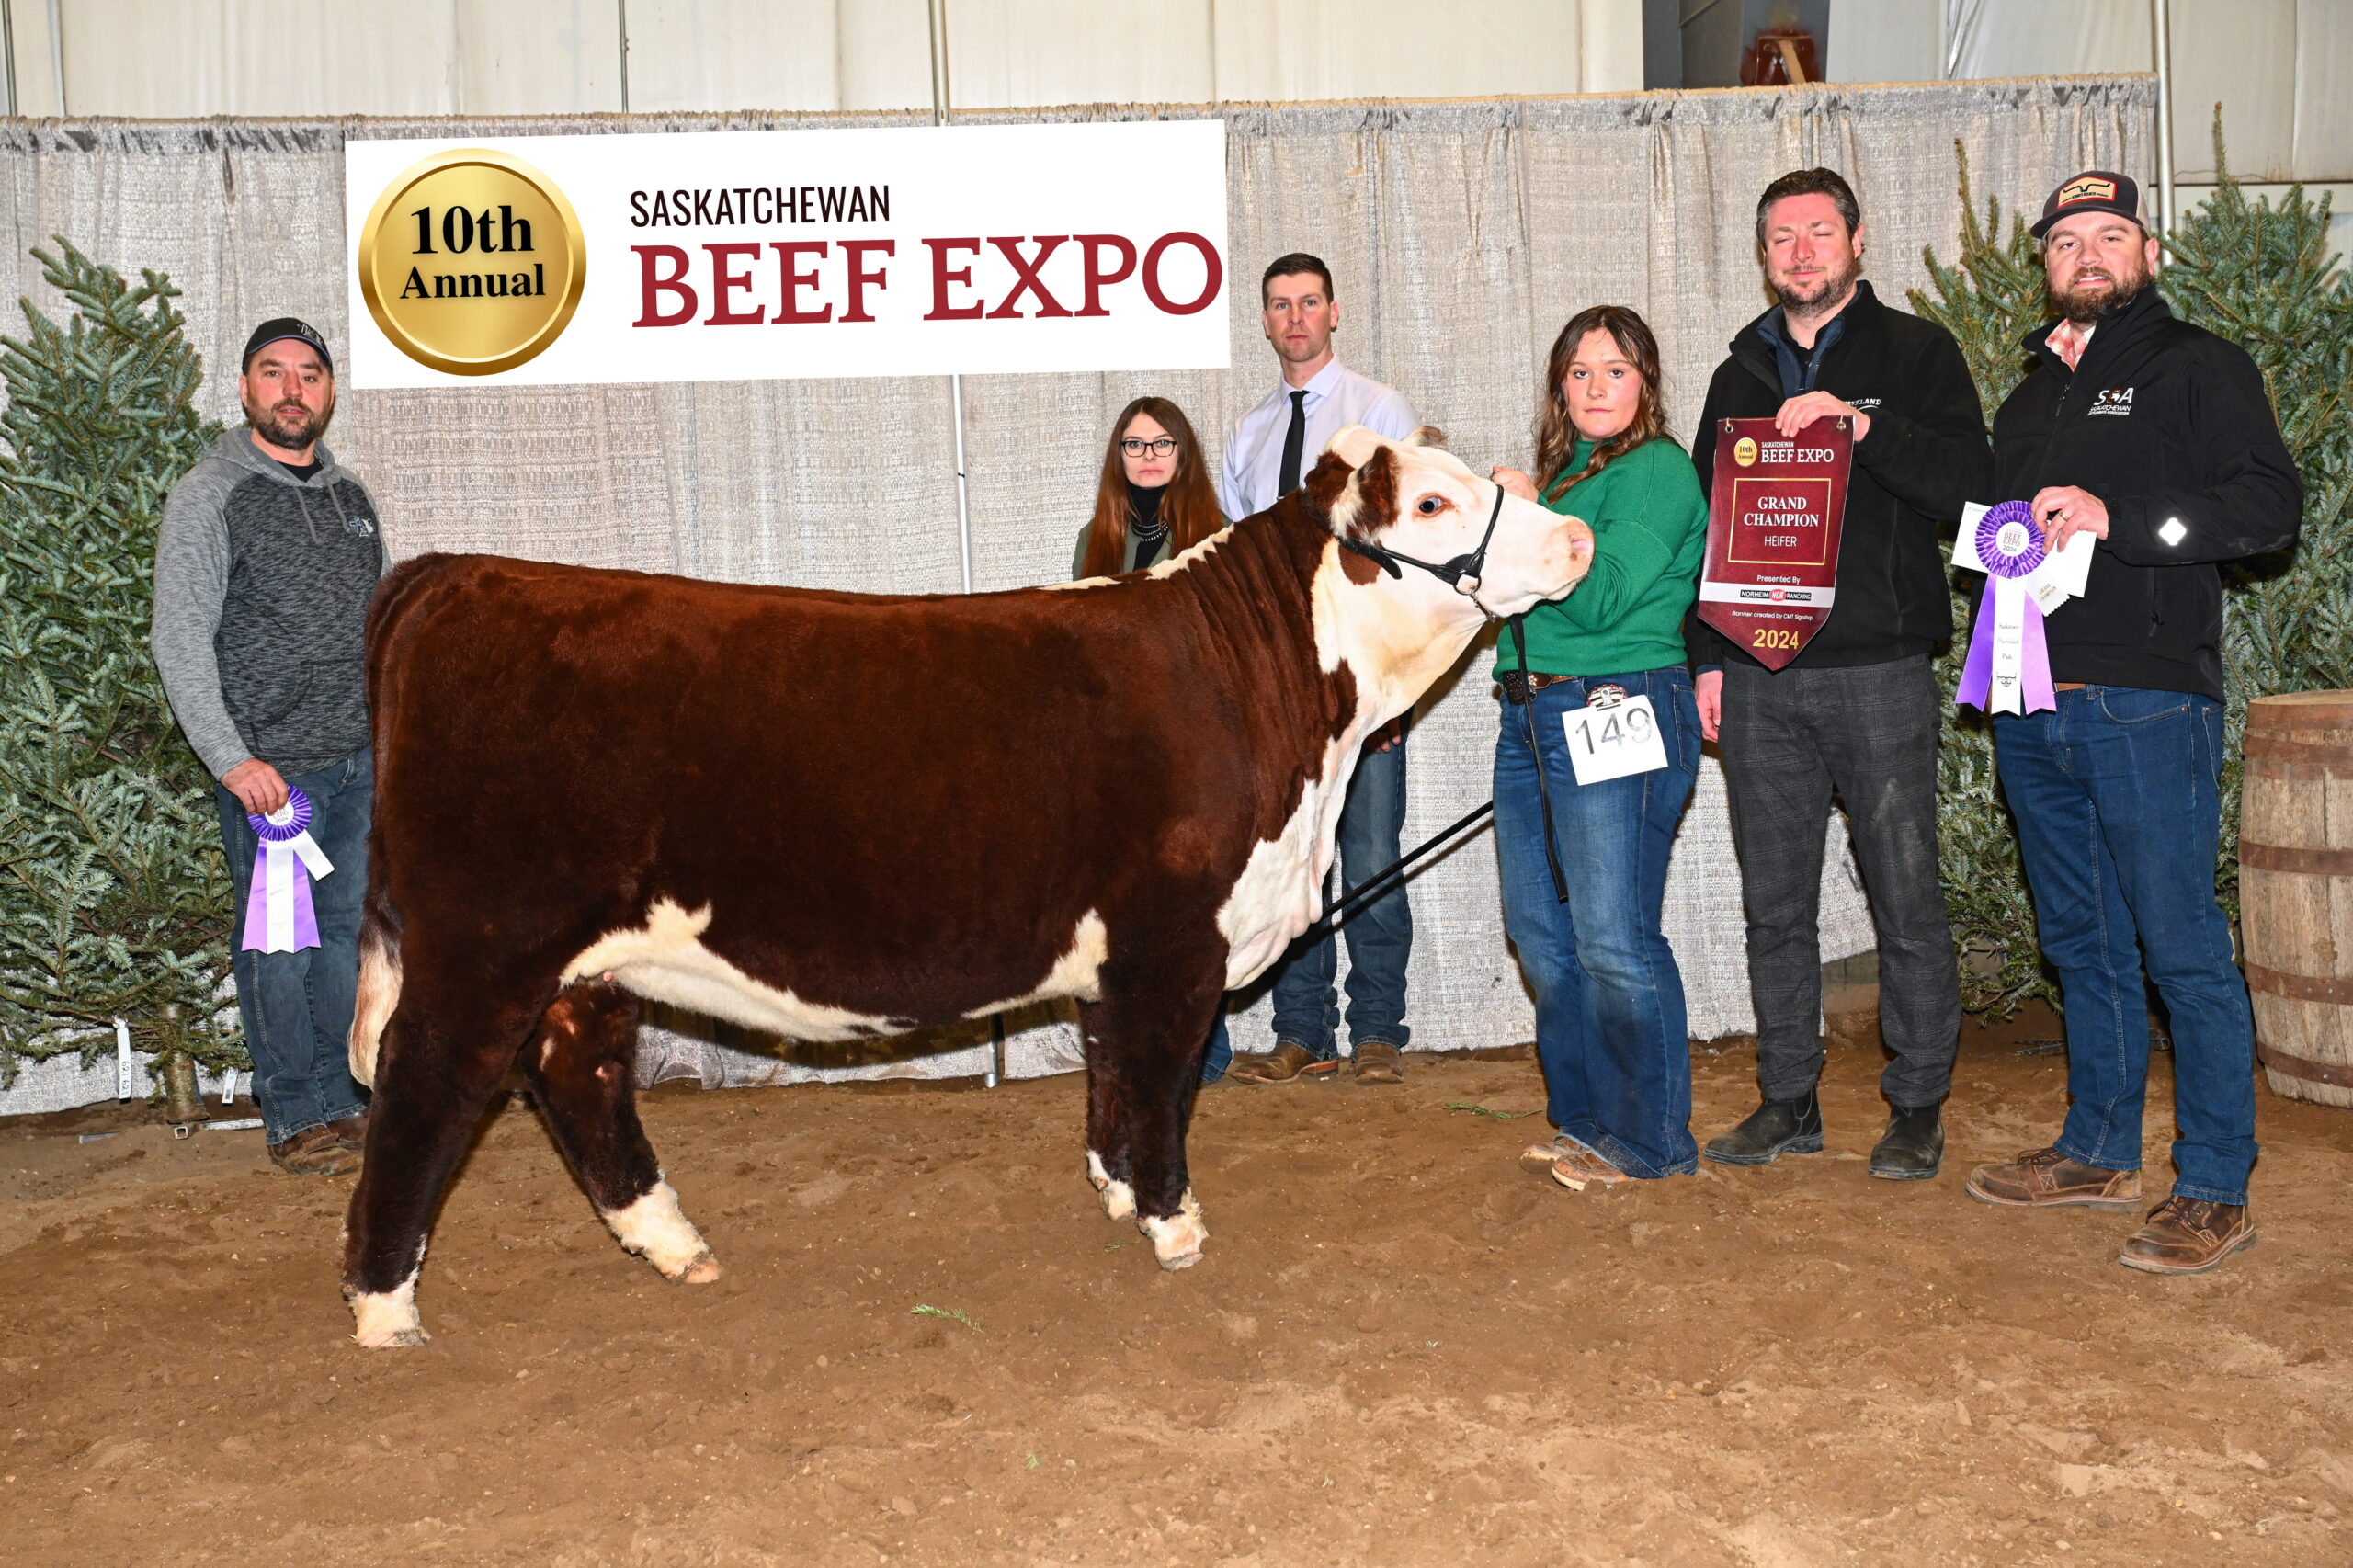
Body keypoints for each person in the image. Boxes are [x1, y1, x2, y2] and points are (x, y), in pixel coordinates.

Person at [1964, 171, 2301, 1273]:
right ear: (2046, 265)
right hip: (2032, 697)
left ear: (2146, 253)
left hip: (2148, 694)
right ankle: (2098, 1148)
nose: (2088, 255)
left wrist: (2128, 522)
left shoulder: (2197, 366)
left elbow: (2267, 509)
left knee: (2181, 947)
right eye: (2067, 243)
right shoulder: (2024, 395)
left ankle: (2213, 1185)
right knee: (2080, 940)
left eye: (2110, 237)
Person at [1688, 167, 1994, 1178]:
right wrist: (1708, 659)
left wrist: (1863, 429)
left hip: (1879, 667)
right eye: (1783, 236)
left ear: (1857, 243)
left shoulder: (1915, 352)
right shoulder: (1737, 373)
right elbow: (1707, 532)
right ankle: (1788, 1099)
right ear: (1764, 254)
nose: (1802, 251)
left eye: (1820, 231)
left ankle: (1915, 1103)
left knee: (1903, 892)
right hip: (1761, 675)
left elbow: (1971, 487)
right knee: (1775, 902)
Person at [153, 319, 386, 1176]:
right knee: (279, 947)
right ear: (247, 388)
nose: (294, 389)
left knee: (340, 937)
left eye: (310, 375)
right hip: (273, 778)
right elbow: (179, 639)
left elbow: (379, 633)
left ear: (328, 391)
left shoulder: (351, 496)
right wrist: (232, 759)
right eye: (273, 372)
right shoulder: (210, 493)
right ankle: (292, 1112)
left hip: (359, 766)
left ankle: (340, 1098)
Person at [1488, 306, 1708, 1187]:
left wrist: (1532, 519)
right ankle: (1586, 1121)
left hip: (1617, 698)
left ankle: (1652, 1140)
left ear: (1645, 382)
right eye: (1579, 373)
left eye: (1614, 370)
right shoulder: (1568, 475)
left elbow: (1604, 596)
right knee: (1543, 935)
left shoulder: (1659, 469)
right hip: (1529, 710)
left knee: (1615, 935)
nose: (1595, 388)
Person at [1216, 253, 1420, 1086]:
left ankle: (1377, 1030)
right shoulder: (1250, 435)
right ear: (1263, 322)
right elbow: (1243, 569)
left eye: (1308, 302)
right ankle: (1303, 1031)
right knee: (1293, 858)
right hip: (1281, 689)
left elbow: (1411, 545)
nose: (1294, 317)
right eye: (1279, 305)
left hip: (1361, 676)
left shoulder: (1379, 411)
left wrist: (1397, 679)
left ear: (1334, 312)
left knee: (1369, 851)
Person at [1069, 394, 1234, 1081]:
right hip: (1117, 748)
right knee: (1123, 900)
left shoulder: (1217, 536)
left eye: (1161, 445)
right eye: (1134, 446)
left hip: (1192, 746)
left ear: (1184, 455)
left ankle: (1205, 1047)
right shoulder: (1094, 540)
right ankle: (1131, 1044)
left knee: (1196, 902)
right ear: (1118, 458)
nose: (1147, 458)